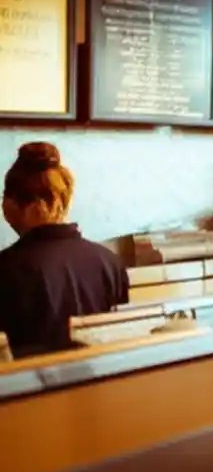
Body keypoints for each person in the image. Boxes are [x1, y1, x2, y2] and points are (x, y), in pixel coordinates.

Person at [0, 142, 128, 358]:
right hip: (102, 383)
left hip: (30, 388)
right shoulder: (109, 261)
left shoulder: (6, 269)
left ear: (16, 205)